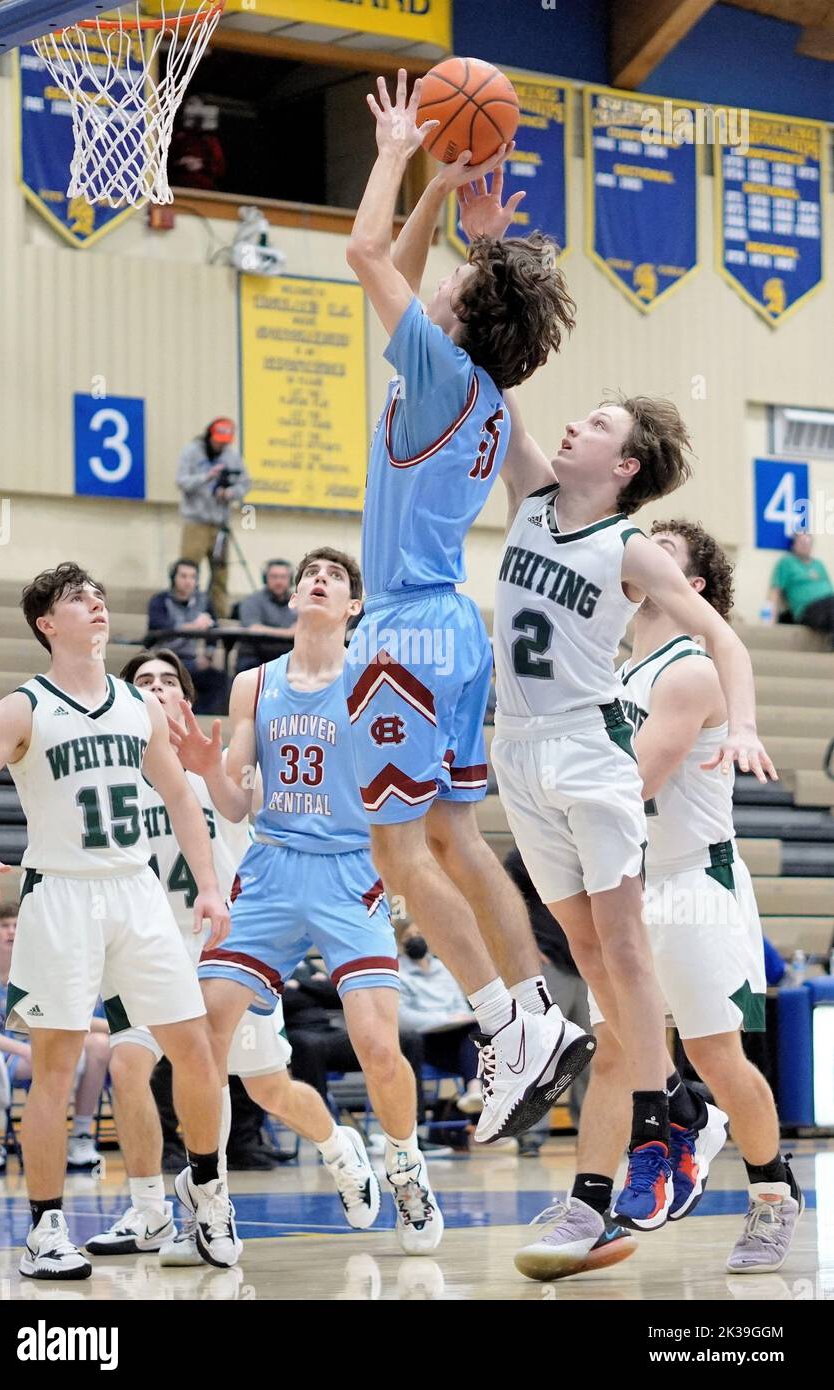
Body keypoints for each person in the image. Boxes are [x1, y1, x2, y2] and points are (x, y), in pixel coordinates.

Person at [469, 167, 776, 1226]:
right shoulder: (529, 497)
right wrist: (481, 245)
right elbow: (494, 375)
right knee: (591, 963)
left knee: (625, 949)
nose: (570, 429)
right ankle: (672, 1102)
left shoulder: (628, 547)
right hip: (519, 752)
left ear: (628, 460)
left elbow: (721, 632)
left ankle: (660, 1121)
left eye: (593, 422)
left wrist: (740, 721)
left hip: (590, 750)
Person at [343, 72, 592, 1148]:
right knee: (457, 833)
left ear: (454, 318)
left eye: (447, 285)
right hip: (454, 632)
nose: (428, 284)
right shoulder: (483, 391)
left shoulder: (440, 372)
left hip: (402, 629)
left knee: (399, 853)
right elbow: (398, 271)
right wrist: (452, 199)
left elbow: (364, 259)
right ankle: (537, 1014)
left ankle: (498, 1020)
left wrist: (400, 152)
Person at [515, 522, 800, 1280]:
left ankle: (772, 1192)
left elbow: (629, 785)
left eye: (662, 548)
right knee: (617, 1052)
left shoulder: (689, 670)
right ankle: (588, 1202)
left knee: (715, 1053)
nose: (636, 552)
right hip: (629, 882)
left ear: (693, 585)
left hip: (693, 883)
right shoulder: (607, 673)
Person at [0, 562, 238, 1279]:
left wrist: (209, 888)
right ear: (46, 625)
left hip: (137, 893)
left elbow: (182, 799)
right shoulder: (21, 708)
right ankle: (44, 1230)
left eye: (96, 596)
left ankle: (206, 1193)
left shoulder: (137, 705)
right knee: (55, 1068)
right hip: (61, 894)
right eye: (74, 600)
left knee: (197, 1053)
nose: (94, 605)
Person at [173, 545, 444, 1253]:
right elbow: (234, 802)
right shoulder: (253, 686)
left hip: (350, 869)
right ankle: (206, 1187)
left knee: (378, 1043)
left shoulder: (375, 680)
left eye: (334, 578)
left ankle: (407, 1168)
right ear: (292, 599)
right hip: (271, 865)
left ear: (354, 605)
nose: (318, 582)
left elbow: (410, 783)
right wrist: (210, 770)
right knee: (204, 1035)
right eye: (307, 577)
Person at [85, 647, 382, 1266]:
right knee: (127, 1067)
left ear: (189, 700)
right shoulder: (114, 770)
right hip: (145, 946)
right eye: (144, 681)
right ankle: (154, 1213)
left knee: (266, 1086)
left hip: (228, 947)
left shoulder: (226, 766)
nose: (159, 689)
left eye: (170, 680)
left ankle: (338, 1147)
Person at [0, 903, 110, 1172]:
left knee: (73, 1056)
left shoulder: (33, 965)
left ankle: (72, 1136)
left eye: (17, 926)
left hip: (18, 1050)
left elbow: (52, 1016)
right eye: (5, 926)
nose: (11, 932)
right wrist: (25, 1051)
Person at [502, 848, 591, 1154]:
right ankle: (530, 1132)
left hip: (591, 966)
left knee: (593, 1058)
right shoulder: (523, 856)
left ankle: (594, 1132)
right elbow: (502, 903)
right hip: (550, 964)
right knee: (542, 1053)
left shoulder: (587, 846)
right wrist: (524, 947)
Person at [396, 923, 481, 1114]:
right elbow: (404, 1020)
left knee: (480, 1036)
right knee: (481, 1051)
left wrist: (460, 1018)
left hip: (459, 1037)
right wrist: (446, 1018)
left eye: (419, 933)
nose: (415, 939)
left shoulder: (442, 968)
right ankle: (475, 1094)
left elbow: (461, 1006)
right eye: (408, 936)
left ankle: (475, 1094)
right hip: (425, 1042)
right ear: (400, 943)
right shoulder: (397, 973)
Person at [176, 418, 251, 618]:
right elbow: (181, 482)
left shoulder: (232, 456)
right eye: (218, 440)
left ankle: (219, 615)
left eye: (225, 441)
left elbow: (245, 483)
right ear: (209, 435)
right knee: (188, 569)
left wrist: (230, 493)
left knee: (221, 573)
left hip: (220, 523)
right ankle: (185, 613)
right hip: (196, 522)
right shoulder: (191, 452)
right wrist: (207, 477)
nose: (221, 445)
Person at [146, 560, 226, 715]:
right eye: (183, 576)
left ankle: (200, 718)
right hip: (163, 657)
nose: (188, 581)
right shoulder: (160, 600)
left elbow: (214, 631)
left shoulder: (203, 600)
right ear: (173, 578)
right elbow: (159, 629)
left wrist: (208, 656)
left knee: (219, 679)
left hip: (191, 658)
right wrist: (193, 626)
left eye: (192, 577)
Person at [768, 532, 834, 647]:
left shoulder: (819, 564)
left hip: (829, 603)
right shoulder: (786, 562)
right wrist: (770, 620)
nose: (805, 545)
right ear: (794, 545)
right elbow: (775, 591)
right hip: (808, 609)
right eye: (802, 542)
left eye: (808, 543)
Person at [234, 560, 297, 674]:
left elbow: (302, 629)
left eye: (283, 577)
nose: (278, 581)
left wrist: (267, 630)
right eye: (274, 577)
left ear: (290, 579)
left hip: (288, 656)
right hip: (256, 655)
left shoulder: (299, 601)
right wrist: (288, 632)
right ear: (265, 578)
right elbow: (253, 629)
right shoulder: (252, 600)